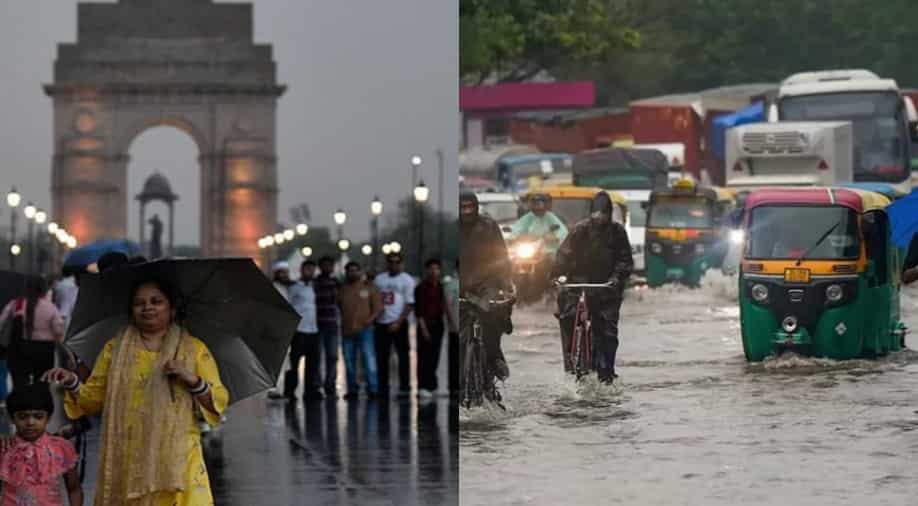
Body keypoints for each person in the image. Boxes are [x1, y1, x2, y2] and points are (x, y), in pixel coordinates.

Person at [43, 277, 229, 506]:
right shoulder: (114, 349)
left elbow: (217, 403)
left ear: (172, 308)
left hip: (179, 457)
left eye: (156, 301)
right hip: (129, 457)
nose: (147, 307)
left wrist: (192, 379)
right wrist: (72, 381)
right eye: (139, 303)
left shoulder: (193, 349)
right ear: (131, 310)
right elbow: (92, 400)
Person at [553, 191, 633, 382]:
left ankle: (607, 372)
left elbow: (625, 261)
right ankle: (571, 364)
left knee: (608, 331)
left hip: (606, 288)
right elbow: (564, 254)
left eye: (603, 214)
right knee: (567, 318)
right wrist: (557, 274)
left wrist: (616, 278)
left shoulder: (617, 232)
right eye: (596, 214)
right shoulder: (579, 230)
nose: (599, 218)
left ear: (609, 213)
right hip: (578, 284)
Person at [458, 191, 515, 383]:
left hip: (486, 282)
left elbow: (502, 256)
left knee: (491, 314)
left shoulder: (489, 226)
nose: (467, 212)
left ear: (476, 207)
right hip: (460, 284)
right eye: (463, 207)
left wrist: (506, 284)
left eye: (470, 207)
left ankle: (495, 357)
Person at [0, 383, 82, 506]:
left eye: (38, 416)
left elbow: (74, 489)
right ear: (12, 418)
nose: (30, 422)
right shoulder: (5, 448)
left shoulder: (61, 447)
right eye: (23, 417)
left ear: (48, 418)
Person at [0, 276, 66, 390]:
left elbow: (1, 323)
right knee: (43, 383)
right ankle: (40, 405)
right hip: (44, 350)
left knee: (20, 384)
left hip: (19, 349)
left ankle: (20, 404)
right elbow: (58, 330)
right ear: (44, 289)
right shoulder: (50, 307)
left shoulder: (16, 304)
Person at [373, 253, 416, 399]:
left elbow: (410, 303)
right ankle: (383, 387)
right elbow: (374, 299)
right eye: (391, 262)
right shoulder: (379, 279)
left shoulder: (407, 280)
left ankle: (404, 386)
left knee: (403, 356)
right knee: (381, 357)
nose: (394, 264)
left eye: (397, 262)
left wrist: (398, 321)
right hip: (381, 323)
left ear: (401, 264)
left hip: (399, 323)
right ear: (387, 263)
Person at [338, 261, 383, 400]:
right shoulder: (343, 289)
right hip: (347, 331)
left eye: (355, 270)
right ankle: (352, 389)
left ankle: (373, 388)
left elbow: (379, 308)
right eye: (350, 270)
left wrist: (370, 320)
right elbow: (339, 306)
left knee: (369, 360)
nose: (353, 273)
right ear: (346, 272)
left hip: (365, 330)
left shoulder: (369, 288)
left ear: (360, 272)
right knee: (349, 361)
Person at [414, 258, 456, 399]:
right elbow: (418, 311)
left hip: (438, 325)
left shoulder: (441, 287)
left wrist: (450, 324)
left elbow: (445, 306)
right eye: (431, 268)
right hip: (424, 325)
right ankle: (423, 386)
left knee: (435, 356)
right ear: (427, 270)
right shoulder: (420, 288)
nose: (434, 271)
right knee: (423, 356)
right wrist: (424, 329)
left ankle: (433, 386)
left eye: (436, 269)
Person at [285, 260, 322, 402]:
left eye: (312, 270)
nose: (310, 272)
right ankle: (290, 391)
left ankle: (310, 390)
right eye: (307, 269)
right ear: (302, 270)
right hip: (299, 330)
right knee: (294, 362)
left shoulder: (315, 287)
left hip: (314, 329)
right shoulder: (294, 287)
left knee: (313, 363)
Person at [314, 256, 342, 399]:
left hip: (332, 324)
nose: (327, 268)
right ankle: (318, 385)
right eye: (324, 265)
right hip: (318, 325)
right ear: (320, 267)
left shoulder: (336, 282)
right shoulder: (315, 282)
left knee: (332, 356)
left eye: (329, 265)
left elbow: (341, 302)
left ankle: (330, 385)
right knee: (317, 357)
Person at [268, 261, 294, 400]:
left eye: (286, 272)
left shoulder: (287, 288)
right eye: (282, 272)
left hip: (285, 329)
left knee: (284, 361)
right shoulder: (273, 288)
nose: (284, 275)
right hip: (275, 329)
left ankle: (279, 389)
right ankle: (273, 389)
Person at [443, 260, 460, 398]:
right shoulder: (452, 285)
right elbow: (447, 305)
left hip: (471, 326)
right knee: (454, 358)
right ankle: (453, 387)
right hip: (455, 328)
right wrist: (452, 324)